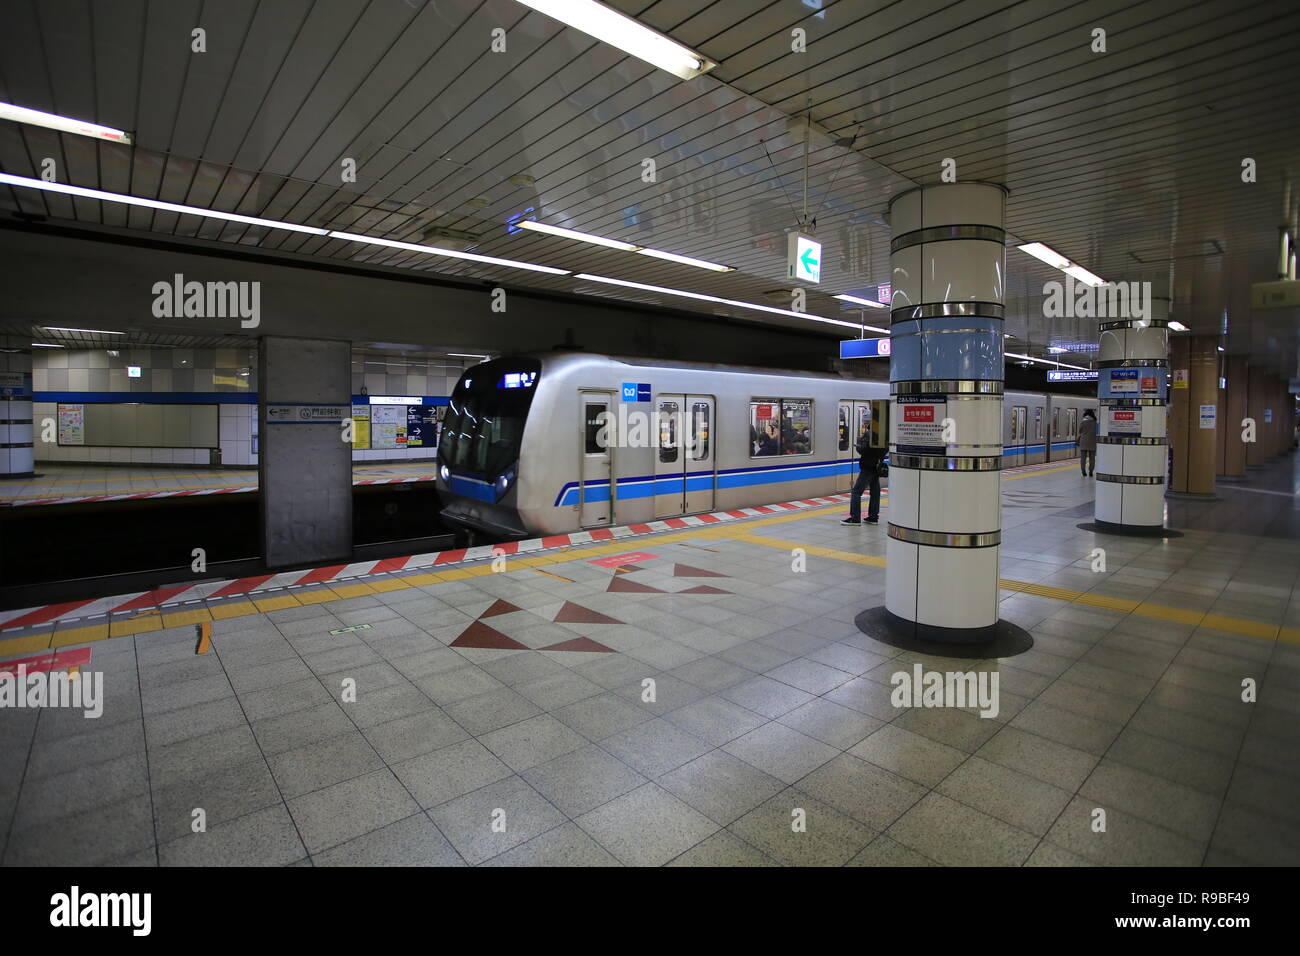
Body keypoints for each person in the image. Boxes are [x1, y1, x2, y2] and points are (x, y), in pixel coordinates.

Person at [843, 433, 885, 525]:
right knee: (875, 493)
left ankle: (855, 518)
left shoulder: (871, 434)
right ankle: (873, 517)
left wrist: (858, 446)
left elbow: (864, 450)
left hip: (867, 467)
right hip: (877, 467)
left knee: (856, 492)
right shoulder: (884, 434)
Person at [1078, 409, 1097, 476]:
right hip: (1093, 441)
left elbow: (1080, 431)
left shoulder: (1083, 422)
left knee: (1083, 458)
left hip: (1083, 441)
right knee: (1092, 458)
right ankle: (1091, 471)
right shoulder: (1095, 422)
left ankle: (1083, 470)